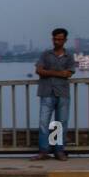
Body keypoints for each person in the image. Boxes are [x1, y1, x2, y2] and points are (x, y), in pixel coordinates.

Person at [32, 28, 76, 161]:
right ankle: (44, 150)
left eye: (60, 39)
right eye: (55, 39)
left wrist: (49, 72)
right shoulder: (46, 54)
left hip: (62, 93)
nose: (57, 41)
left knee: (59, 123)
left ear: (65, 40)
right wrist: (59, 73)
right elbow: (39, 71)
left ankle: (58, 150)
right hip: (46, 92)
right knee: (43, 122)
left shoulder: (69, 56)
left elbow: (69, 73)